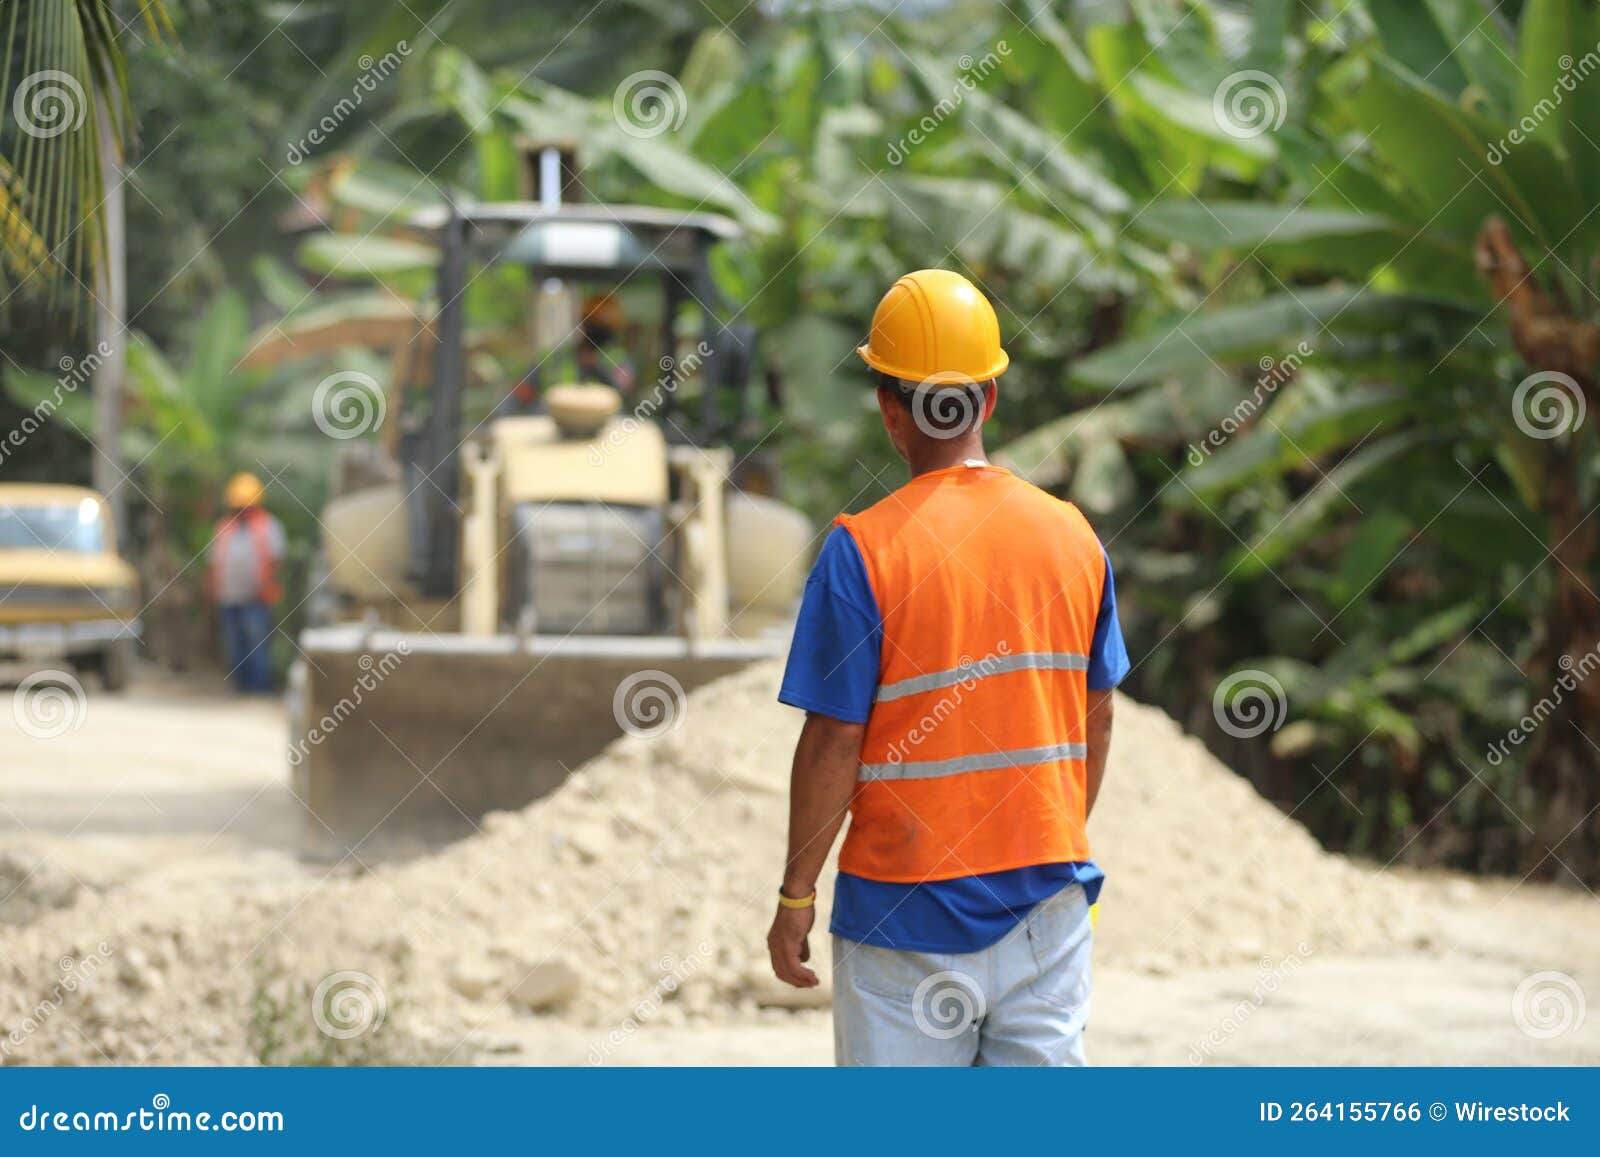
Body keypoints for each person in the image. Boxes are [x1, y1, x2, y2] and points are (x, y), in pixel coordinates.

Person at [765, 269, 1130, 1067]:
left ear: (890, 411)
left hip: (901, 921)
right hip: (1047, 907)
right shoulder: (1073, 537)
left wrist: (797, 893)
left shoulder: (861, 551)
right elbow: (1097, 716)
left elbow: (833, 742)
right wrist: (1051, 839)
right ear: (989, 400)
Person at [208, 472, 285, 694]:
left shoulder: (269, 526)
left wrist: (267, 585)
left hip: (257, 599)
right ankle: (240, 687)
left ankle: (260, 687)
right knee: (234, 645)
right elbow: (213, 565)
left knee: (257, 644)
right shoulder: (224, 528)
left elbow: (277, 561)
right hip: (229, 598)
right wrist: (213, 592)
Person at [501, 292, 636, 415]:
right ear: (583, 322)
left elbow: (622, 396)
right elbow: (519, 394)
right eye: (593, 322)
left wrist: (597, 369)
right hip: (551, 436)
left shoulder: (620, 361)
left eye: (603, 325)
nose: (597, 329)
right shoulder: (554, 357)